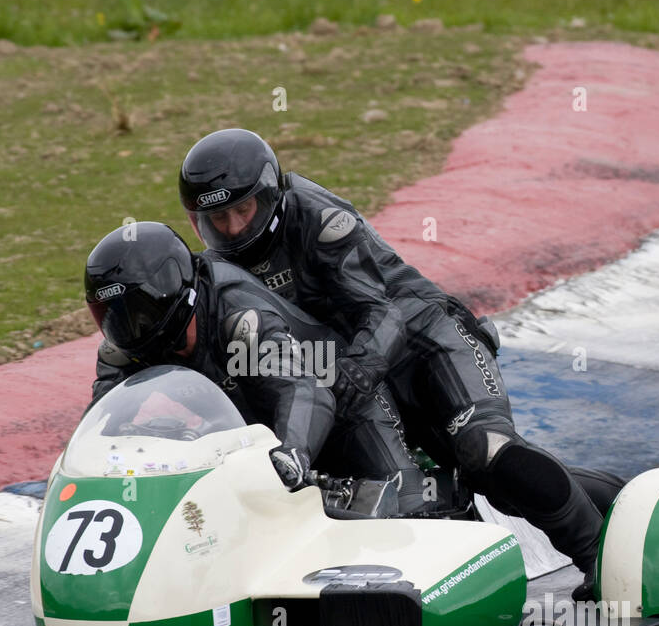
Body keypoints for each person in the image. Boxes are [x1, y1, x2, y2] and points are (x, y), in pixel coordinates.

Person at [178, 128, 624, 600]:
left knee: (483, 450)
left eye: (242, 210)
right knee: (432, 483)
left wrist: (360, 369)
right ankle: (604, 509)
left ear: (269, 196)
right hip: (355, 372)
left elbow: (383, 311)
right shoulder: (216, 274)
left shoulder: (322, 220)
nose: (232, 228)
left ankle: (600, 556)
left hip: (423, 338)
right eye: (216, 218)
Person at [85, 221, 426, 511]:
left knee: (404, 504)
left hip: (344, 402)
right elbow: (97, 428)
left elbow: (303, 388)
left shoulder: (237, 314)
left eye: (137, 312)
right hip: (252, 434)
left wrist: (291, 454)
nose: (128, 329)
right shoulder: (123, 348)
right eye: (111, 318)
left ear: (170, 290)